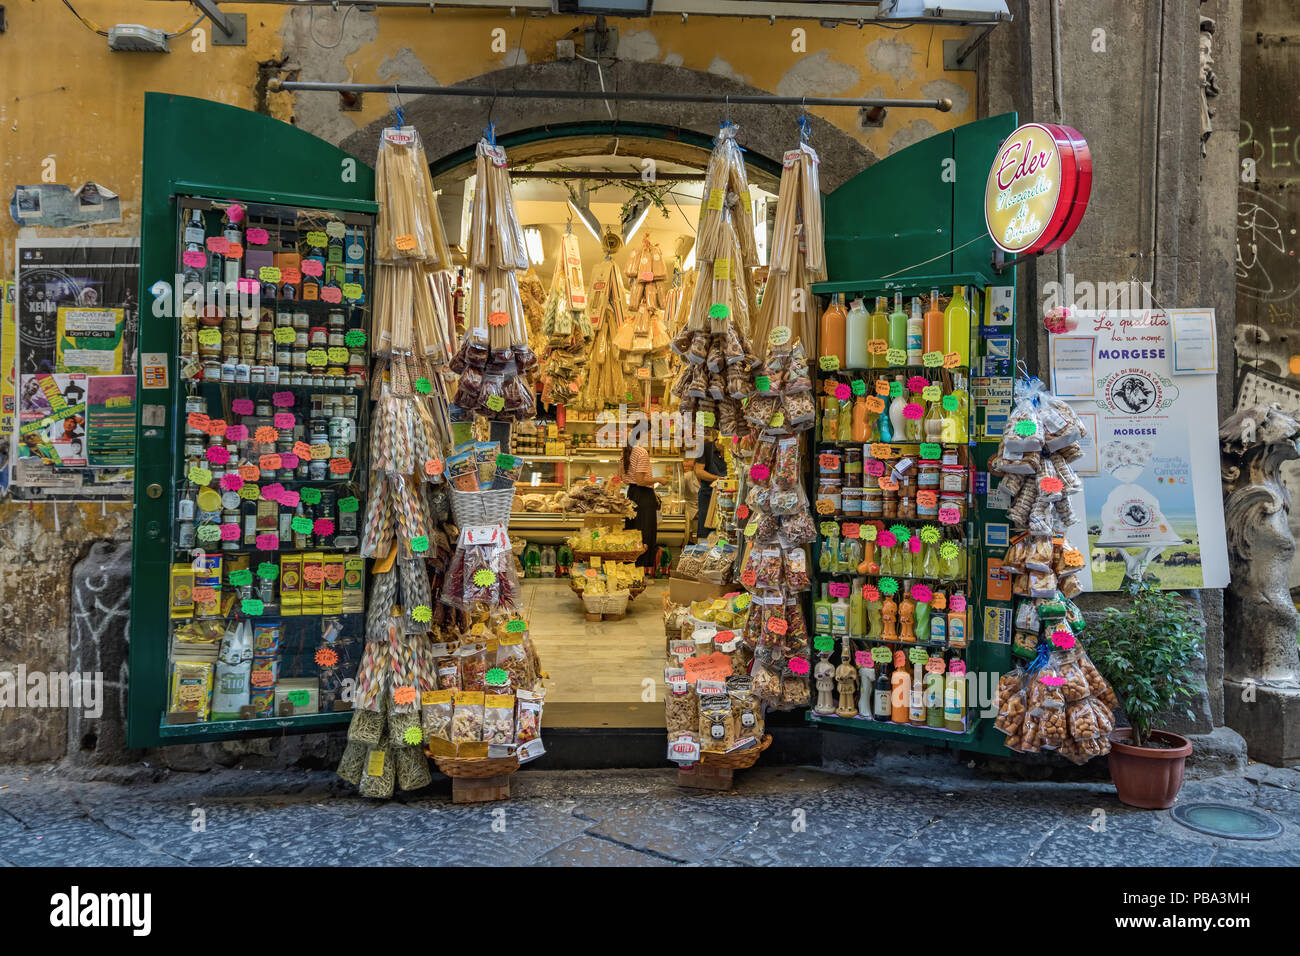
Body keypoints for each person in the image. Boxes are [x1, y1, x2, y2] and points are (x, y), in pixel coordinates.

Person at [620, 434, 662, 570]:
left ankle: (630, 568)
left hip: (632, 493)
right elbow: (640, 480)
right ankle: (641, 570)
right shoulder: (642, 452)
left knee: (632, 531)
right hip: (644, 495)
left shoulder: (627, 450)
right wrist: (659, 480)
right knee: (644, 533)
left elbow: (622, 477)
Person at [690, 430, 728, 540]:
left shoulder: (731, 451)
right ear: (719, 441)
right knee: (706, 527)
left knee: (724, 527)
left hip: (727, 495)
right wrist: (718, 479)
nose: (726, 450)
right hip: (708, 494)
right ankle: (704, 551)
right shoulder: (705, 448)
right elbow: (699, 472)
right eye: (725, 446)